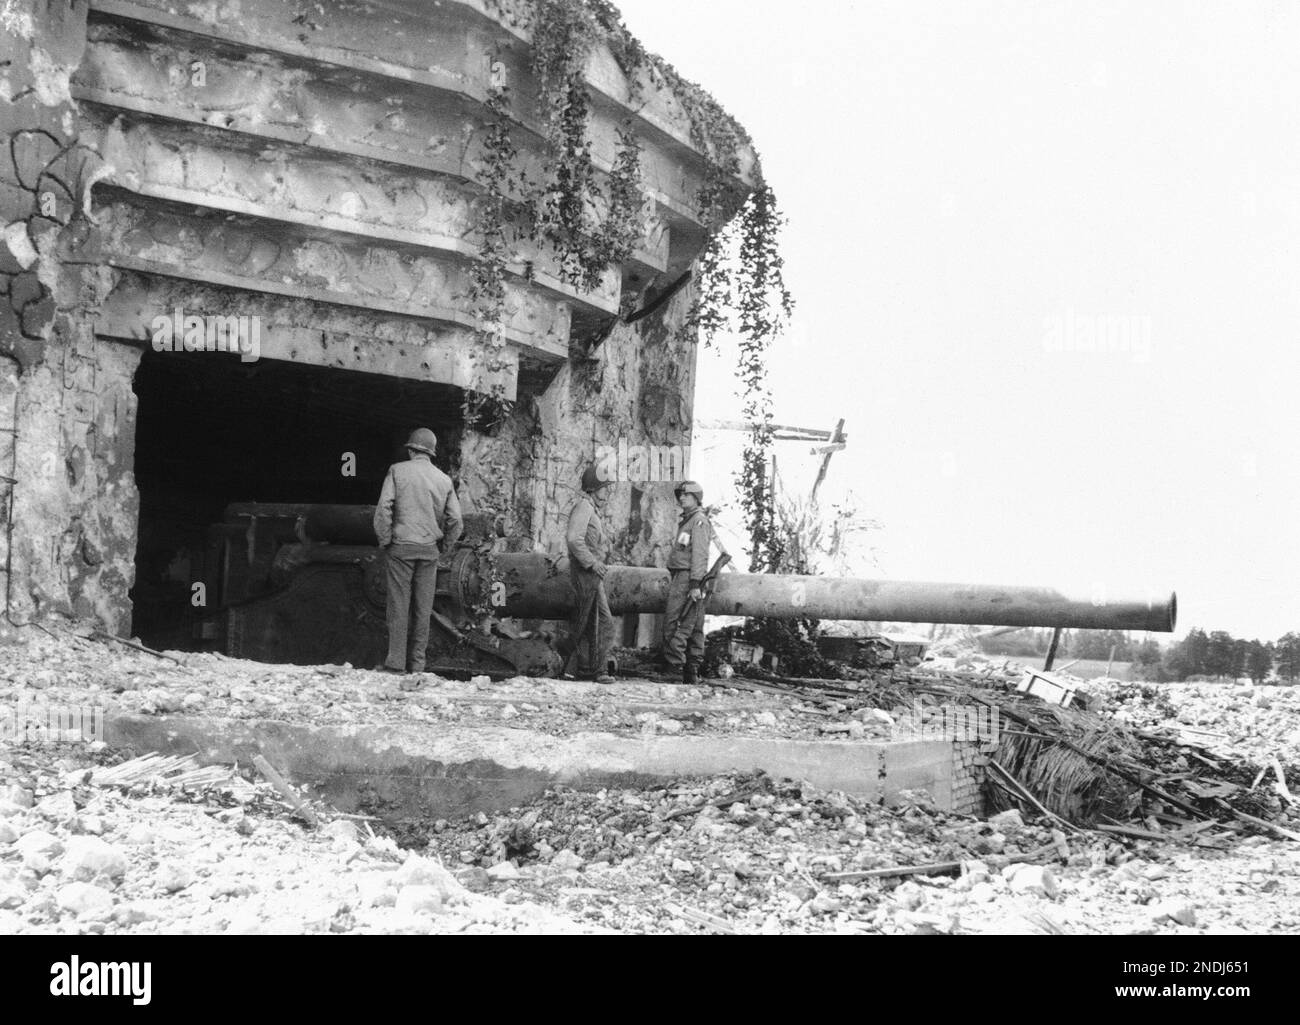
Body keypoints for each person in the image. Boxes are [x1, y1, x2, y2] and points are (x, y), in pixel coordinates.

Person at [373, 428, 463, 674]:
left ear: (411, 450)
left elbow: (384, 509)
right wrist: (443, 547)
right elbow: (456, 520)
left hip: (401, 548)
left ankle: (395, 664)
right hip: (429, 551)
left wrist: (386, 540)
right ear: (431, 453)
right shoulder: (443, 480)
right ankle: (418, 665)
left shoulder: (397, 471)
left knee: (399, 606)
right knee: (423, 609)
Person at [566, 466, 615, 684]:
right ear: (593, 488)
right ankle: (592, 670)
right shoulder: (584, 507)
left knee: (593, 622)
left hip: (592, 574)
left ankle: (587, 669)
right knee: (594, 622)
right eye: (604, 488)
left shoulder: (590, 509)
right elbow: (574, 539)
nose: (607, 492)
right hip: (586, 573)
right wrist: (593, 563)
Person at [663, 481, 713, 685]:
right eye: (680, 495)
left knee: (675, 620)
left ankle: (675, 667)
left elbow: (700, 554)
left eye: (686, 495)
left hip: (688, 576)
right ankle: (690, 671)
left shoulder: (698, 521)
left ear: (696, 498)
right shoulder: (690, 520)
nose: (681, 498)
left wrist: (694, 584)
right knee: (693, 623)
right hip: (686, 576)